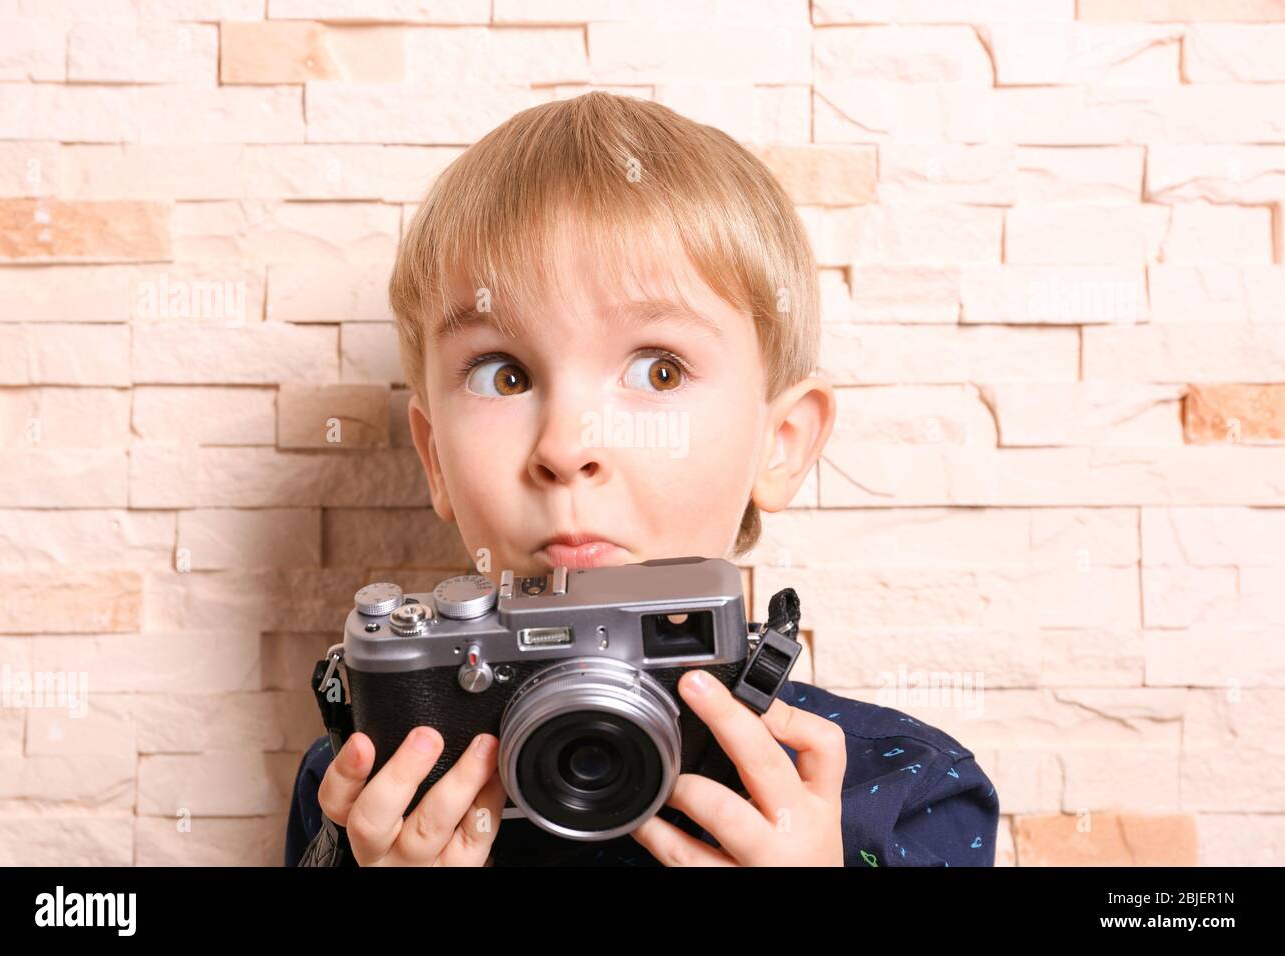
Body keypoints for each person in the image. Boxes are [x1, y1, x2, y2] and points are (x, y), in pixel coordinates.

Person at [284, 91, 999, 867]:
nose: (566, 447)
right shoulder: (367, 794)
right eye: (503, 375)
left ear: (781, 442)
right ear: (435, 461)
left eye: (659, 371)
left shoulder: (905, 790)